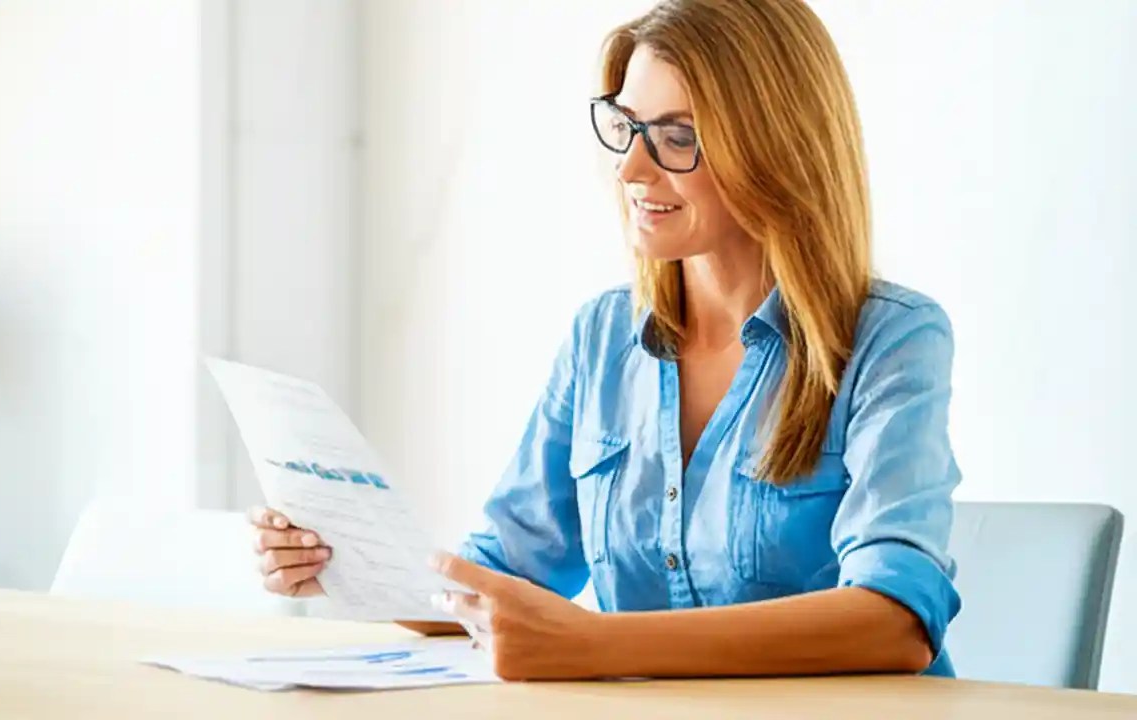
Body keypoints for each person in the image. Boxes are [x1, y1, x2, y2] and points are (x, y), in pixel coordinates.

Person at [249, 0, 961, 681]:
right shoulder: (602, 338)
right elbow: (507, 575)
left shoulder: (891, 339)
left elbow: (895, 622)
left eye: (677, 138)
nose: (630, 169)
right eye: (626, 127)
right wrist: (349, 561)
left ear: (777, 146)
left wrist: (596, 643)